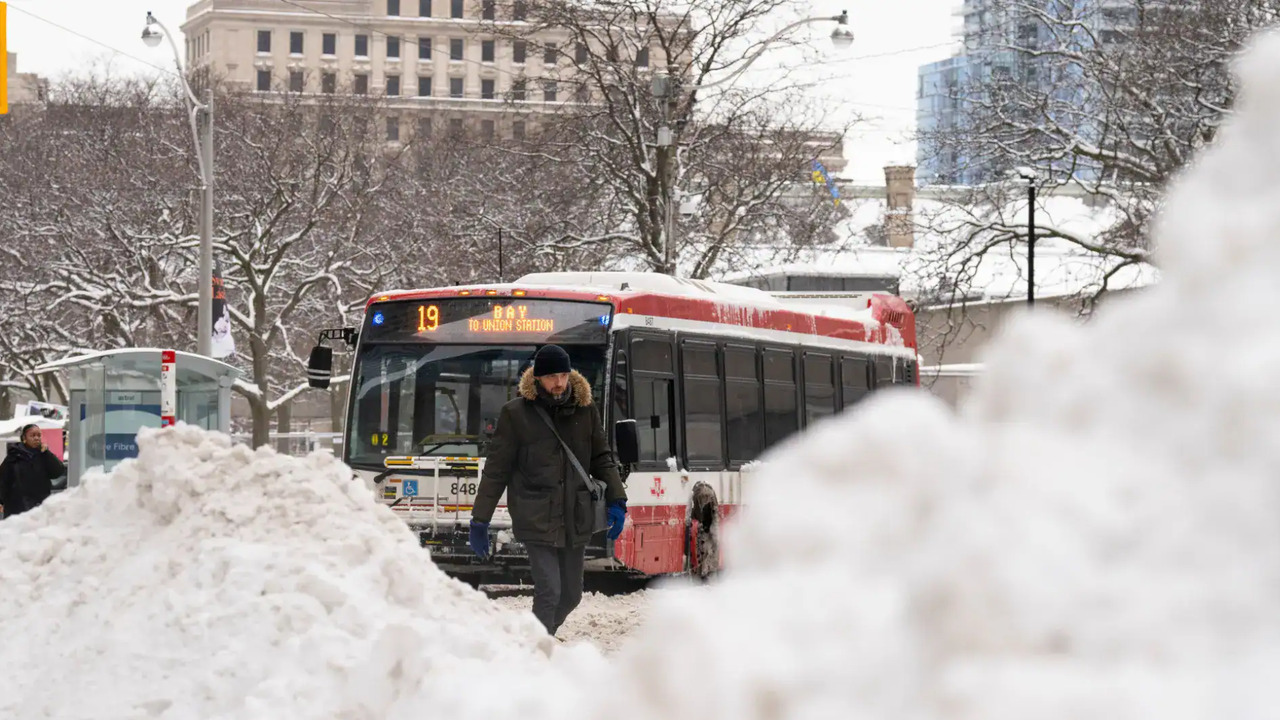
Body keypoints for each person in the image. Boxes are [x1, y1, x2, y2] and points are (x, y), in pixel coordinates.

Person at [469, 344, 628, 636]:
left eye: (563, 375)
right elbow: (496, 471)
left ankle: (538, 640)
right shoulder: (515, 414)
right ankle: (537, 652)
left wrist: (617, 499)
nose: (559, 383)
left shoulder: (585, 409)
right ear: (538, 378)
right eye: (552, 376)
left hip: (575, 516)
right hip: (535, 516)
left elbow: (601, 458)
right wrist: (480, 518)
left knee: (572, 595)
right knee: (550, 591)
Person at [0, 424, 66, 519]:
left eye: (39, 435)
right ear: (24, 438)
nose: (36, 438)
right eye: (32, 435)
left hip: (39, 507)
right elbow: (3, 480)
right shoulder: (14, 456)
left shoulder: (43, 455)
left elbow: (58, 472)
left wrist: (46, 453)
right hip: (17, 507)